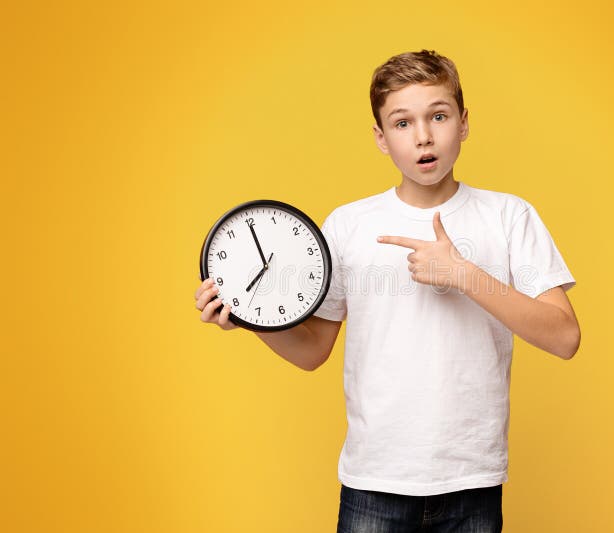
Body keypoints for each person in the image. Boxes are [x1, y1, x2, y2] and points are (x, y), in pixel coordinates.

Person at [194, 49, 580, 533]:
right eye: (402, 123)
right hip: (374, 481)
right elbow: (312, 350)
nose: (423, 136)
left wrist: (464, 274)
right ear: (381, 137)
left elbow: (564, 337)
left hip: (471, 480)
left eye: (438, 116)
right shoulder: (348, 225)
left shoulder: (508, 217)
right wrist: (249, 318)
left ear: (463, 123)